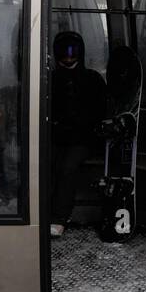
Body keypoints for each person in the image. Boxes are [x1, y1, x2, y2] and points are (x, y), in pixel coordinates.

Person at [50, 31, 108, 236]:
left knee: (68, 167)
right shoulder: (50, 79)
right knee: (48, 164)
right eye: (64, 51)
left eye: (72, 50)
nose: (68, 56)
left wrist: (83, 126)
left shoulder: (92, 79)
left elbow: (101, 111)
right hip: (57, 137)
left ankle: (59, 218)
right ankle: (44, 213)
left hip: (84, 140)